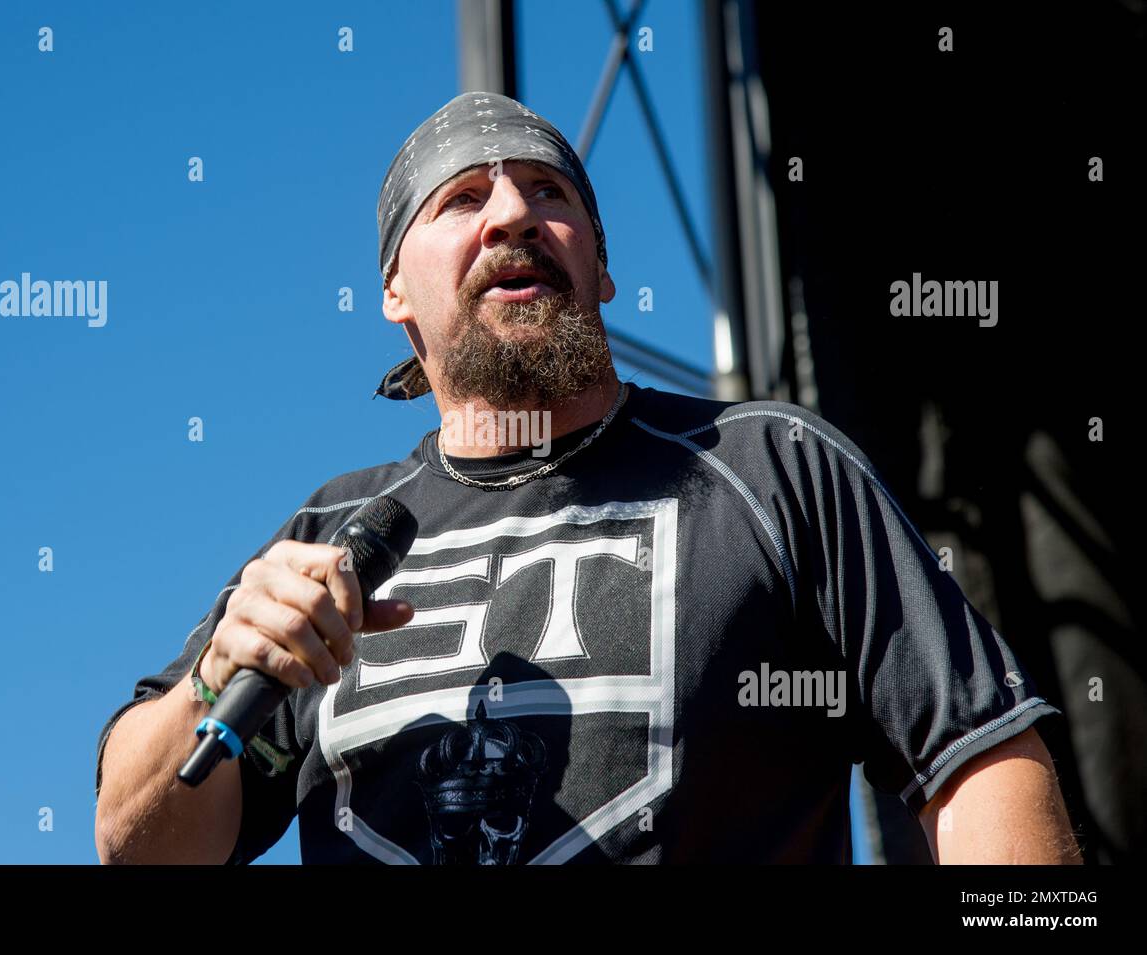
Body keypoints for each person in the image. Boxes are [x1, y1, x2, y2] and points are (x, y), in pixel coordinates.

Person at [94, 91, 1080, 865]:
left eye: (550, 192)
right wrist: (213, 685)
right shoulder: (330, 531)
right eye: (463, 199)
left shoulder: (770, 468)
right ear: (393, 287)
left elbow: (977, 760)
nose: (513, 214)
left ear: (600, 269)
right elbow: (142, 845)